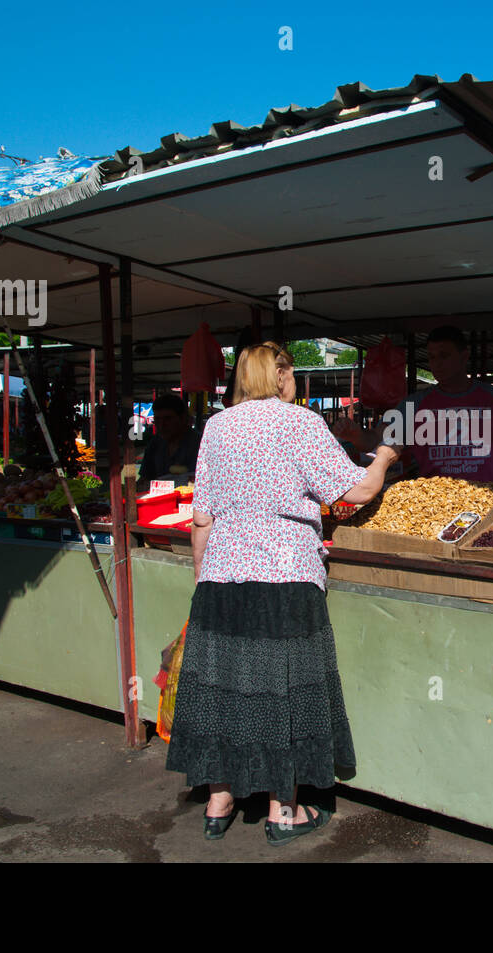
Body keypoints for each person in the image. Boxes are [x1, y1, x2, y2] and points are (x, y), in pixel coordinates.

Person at [166, 342, 396, 845]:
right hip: (285, 576)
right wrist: (382, 457)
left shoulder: (217, 428)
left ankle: (219, 800)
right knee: (284, 691)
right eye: (289, 373)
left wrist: (204, 580)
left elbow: (200, 517)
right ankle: (281, 810)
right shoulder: (300, 423)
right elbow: (354, 491)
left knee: (221, 690)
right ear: (281, 377)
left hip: (222, 580)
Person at [333, 326, 493, 486]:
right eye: (432, 357)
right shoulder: (414, 404)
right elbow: (376, 440)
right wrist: (355, 435)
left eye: (444, 355)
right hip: (435, 509)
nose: (436, 363)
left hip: (488, 504)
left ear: (464, 357)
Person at [138, 393, 201, 485]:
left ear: (183, 418)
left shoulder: (199, 444)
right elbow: (145, 478)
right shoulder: (155, 443)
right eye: (157, 419)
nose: (162, 425)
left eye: (168, 419)